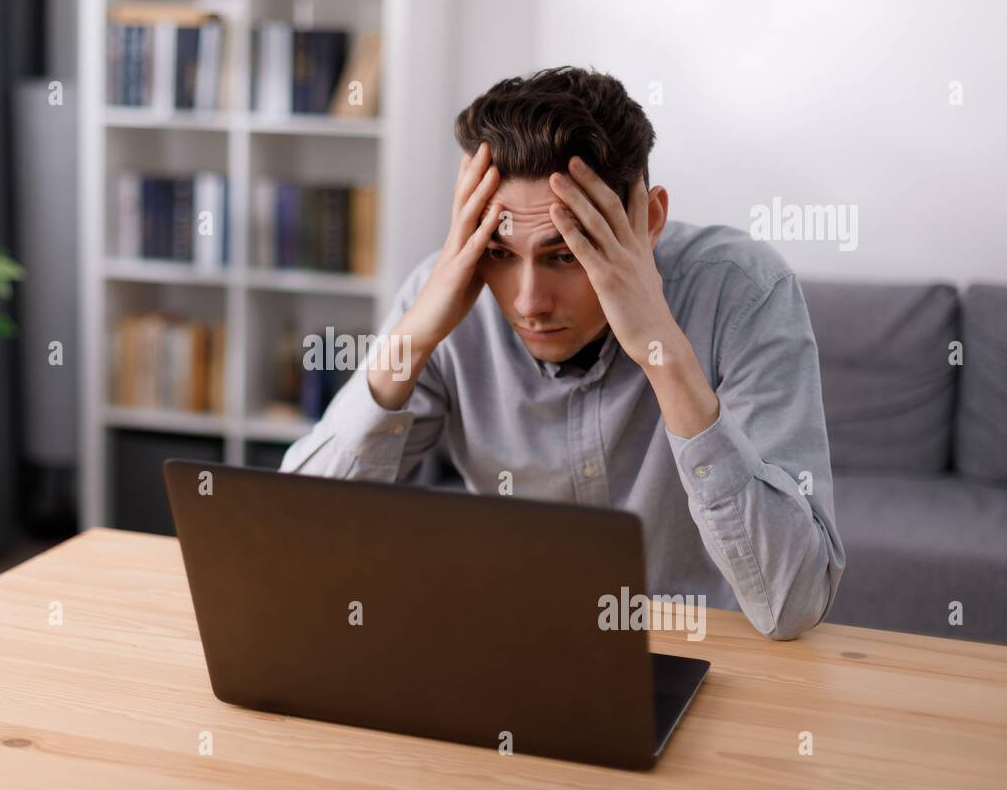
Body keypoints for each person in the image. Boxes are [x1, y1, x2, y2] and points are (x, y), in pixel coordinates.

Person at [280, 66, 845, 641]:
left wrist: (663, 354)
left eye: (566, 255)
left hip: (711, 660)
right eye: (500, 253)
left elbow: (794, 601)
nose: (529, 302)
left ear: (648, 221)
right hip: (515, 650)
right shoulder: (447, 294)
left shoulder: (744, 292)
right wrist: (412, 339)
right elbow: (297, 543)